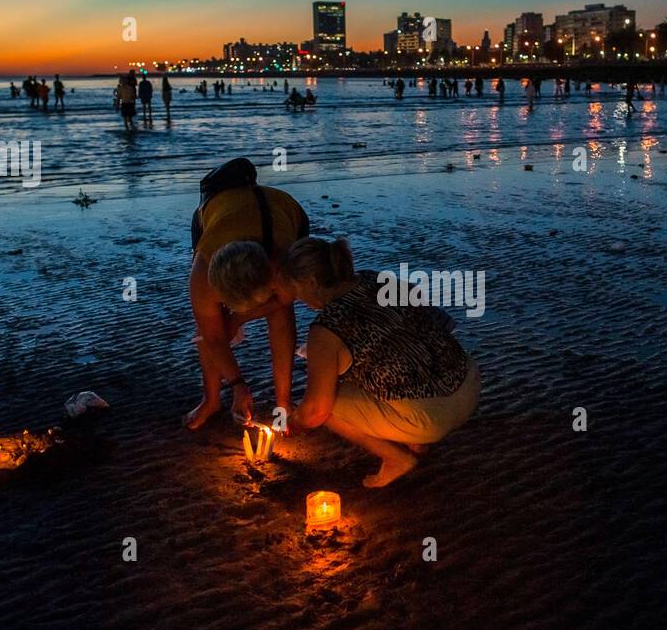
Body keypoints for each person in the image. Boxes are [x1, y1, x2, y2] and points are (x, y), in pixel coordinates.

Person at [284, 237, 480, 488]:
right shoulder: (374, 278)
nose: (298, 298)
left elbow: (314, 412)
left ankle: (396, 458)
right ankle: (417, 442)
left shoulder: (327, 328)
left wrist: (293, 423)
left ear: (311, 282)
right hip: (469, 383)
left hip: (431, 418)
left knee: (326, 405)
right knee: (376, 363)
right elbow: (421, 305)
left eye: (296, 289)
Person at [185, 157, 311, 430]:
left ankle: (284, 402)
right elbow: (214, 336)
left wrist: (239, 319)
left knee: (280, 313)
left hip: (284, 211)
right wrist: (238, 386)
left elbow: (285, 300)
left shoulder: (283, 261)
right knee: (207, 324)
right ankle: (211, 400)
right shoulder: (202, 271)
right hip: (218, 207)